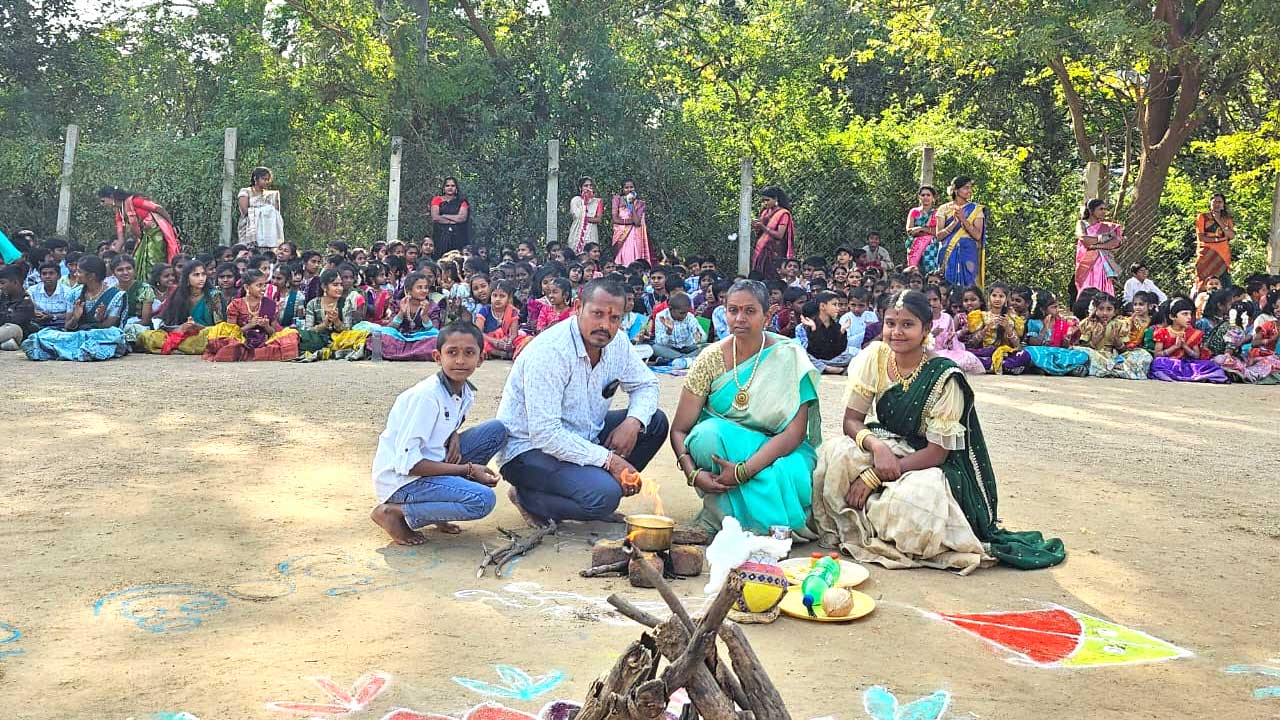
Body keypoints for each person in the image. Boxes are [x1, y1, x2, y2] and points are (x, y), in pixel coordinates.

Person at [810, 290, 1066, 573]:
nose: (896, 332)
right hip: (889, 443)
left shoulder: (945, 376)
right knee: (836, 454)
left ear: (926, 329)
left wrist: (874, 475)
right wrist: (877, 447)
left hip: (934, 462)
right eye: (890, 323)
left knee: (916, 500)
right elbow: (852, 421)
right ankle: (864, 518)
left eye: (907, 324)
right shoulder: (877, 357)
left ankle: (881, 516)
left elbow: (937, 452)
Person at [497, 278, 668, 525]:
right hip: (529, 450)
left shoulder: (617, 341)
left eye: (614, 318)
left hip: (583, 434)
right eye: (597, 314)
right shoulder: (551, 352)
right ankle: (527, 497)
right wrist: (610, 461)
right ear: (578, 306)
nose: (605, 325)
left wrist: (633, 421)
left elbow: (646, 384)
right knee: (603, 497)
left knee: (654, 423)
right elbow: (546, 434)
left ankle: (590, 485)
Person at [667, 279, 821, 536]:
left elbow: (794, 434)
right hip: (728, 446)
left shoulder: (790, 355)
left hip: (780, 451)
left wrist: (743, 472)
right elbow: (679, 430)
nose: (740, 318)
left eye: (750, 311)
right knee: (705, 437)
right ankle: (752, 517)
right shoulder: (710, 358)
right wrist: (692, 472)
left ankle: (734, 516)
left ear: (767, 314)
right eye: (733, 310)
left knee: (785, 472)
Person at [370, 323, 507, 545]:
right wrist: (468, 470)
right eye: (452, 353)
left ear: (481, 359)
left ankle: (440, 508)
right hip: (404, 480)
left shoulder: (464, 391)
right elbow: (408, 464)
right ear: (437, 356)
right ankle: (395, 512)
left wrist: (453, 434)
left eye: (469, 353)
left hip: (433, 464)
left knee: (496, 431)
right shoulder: (426, 396)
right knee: (482, 500)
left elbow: (450, 417)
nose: (460, 360)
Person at [22, 256, 130, 361]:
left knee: (113, 334)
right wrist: (76, 318)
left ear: (91, 276)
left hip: (101, 335)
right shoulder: (74, 294)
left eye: (79, 271)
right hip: (77, 334)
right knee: (43, 335)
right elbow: (67, 326)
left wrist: (98, 319)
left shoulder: (116, 296)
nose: (75, 274)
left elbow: (110, 326)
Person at [203, 269, 299, 361]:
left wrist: (266, 326)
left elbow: (275, 333)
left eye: (264, 285)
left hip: (264, 341)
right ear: (247, 287)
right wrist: (250, 325)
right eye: (259, 285)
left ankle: (256, 352)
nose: (263, 289)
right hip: (241, 341)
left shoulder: (269, 304)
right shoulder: (236, 304)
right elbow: (230, 333)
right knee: (229, 345)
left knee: (291, 335)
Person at [97, 186, 180, 274]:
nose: (103, 204)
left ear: (111, 196)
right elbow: (121, 240)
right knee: (137, 262)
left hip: (157, 234)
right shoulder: (120, 215)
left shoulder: (134, 201)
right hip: (144, 238)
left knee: (154, 262)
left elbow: (158, 208)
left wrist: (171, 225)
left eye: (103, 201)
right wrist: (112, 258)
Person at [1149, 297, 1228, 383]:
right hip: (1169, 362)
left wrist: (1185, 346)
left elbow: (1196, 356)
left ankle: (1180, 376)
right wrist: (1175, 347)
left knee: (1210, 365)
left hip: (1187, 364)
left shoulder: (1193, 333)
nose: (1189, 317)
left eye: (1190, 314)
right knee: (1158, 362)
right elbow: (1157, 354)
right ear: (1172, 316)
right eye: (1185, 314)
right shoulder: (1162, 332)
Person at [935, 176, 986, 287]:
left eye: (970, 188)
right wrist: (953, 223)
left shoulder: (976, 209)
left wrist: (963, 219)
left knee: (968, 286)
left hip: (968, 253)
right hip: (947, 251)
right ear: (956, 190)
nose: (970, 191)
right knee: (947, 286)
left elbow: (977, 235)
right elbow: (938, 236)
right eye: (966, 188)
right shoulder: (943, 209)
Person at [797, 292, 862, 374]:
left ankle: (827, 368)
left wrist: (842, 332)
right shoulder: (811, 324)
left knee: (853, 356)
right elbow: (814, 351)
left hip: (834, 361)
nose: (838, 308)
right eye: (834, 305)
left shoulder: (837, 325)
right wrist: (813, 330)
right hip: (816, 360)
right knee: (802, 355)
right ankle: (829, 369)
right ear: (823, 306)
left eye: (838, 305)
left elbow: (839, 350)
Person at [1074, 199, 1124, 298]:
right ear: (1091, 210)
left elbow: (1116, 242)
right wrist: (1103, 238)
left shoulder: (1108, 227)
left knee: (1103, 288)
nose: (1104, 212)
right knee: (1087, 288)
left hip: (1102, 264)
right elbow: (1085, 240)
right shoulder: (1082, 224)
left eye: (1105, 209)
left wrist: (1096, 246)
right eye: (1101, 209)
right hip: (1086, 263)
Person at [749, 186, 794, 279]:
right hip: (760, 250)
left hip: (773, 253)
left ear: (776, 199)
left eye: (767, 200)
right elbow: (761, 233)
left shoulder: (783, 214)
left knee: (770, 277)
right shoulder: (765, 212)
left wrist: (763, 227)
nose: (765, 203)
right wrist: (757, 227)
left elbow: (779, 235)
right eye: (763, 201)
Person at [651, 291, 707, 366]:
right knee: (655, 348)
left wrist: (698, 336)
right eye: (681, 313)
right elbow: (660, 342)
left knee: (706, 347)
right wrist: (669, 332)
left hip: (687, 347)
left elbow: (702, 336)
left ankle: (674, 361)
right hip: (670, 349)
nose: (684, 316)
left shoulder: (689, 316)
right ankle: (686, 359)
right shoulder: (661, 317)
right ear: (671, 309)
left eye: (686, 313)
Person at [1194, 193, 1234, 291]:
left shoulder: (1227, 219)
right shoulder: (1202, 217)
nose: (1217, 204)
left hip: (1223, 257)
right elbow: (1202, 237)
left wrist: (1218, 220)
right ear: (1210, 203)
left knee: (1226, 286)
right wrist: (1219, 239)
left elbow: (1231, 235)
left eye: (1220, 202)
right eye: (1214, 201)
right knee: (1203, 284)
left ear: (1223, 204)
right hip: (1206, 255)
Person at [237, 166, 284, 249]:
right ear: (255, 179)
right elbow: (244, 211)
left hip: (267, 232)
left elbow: (276, 215)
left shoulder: (271, 195)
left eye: (268, 179)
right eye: (264, 179)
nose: (266, 182)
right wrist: (264, 210)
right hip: (249, 230)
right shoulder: (245, 191)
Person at [611, 179, 651, 266]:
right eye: (626, 187)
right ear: (622, 189)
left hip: (634, 236)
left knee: (633, 257)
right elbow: (615, 219)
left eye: (631, 187)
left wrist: (631, 204)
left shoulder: (640, 203)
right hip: (620, 235)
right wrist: (630, 222)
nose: (629, 189)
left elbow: (637, 222)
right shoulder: (616, 200)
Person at [431, 177, 472, 255]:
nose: (450, 188)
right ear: (443, 188)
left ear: (456, 188)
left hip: (459, 236)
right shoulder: (437, 200)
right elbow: (435, 217)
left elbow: (462, 218)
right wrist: (454, 220)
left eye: (452, 186)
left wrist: (444, 215)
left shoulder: (462, 201)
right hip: (440, 236)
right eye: (447, 185)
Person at [28, 261, 74, 330]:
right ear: (40, 277)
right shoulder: (32, 291)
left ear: (59, 276)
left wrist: (53, 316)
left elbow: (71, 314)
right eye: (44, 274)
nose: (47, 276)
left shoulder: (68, 292)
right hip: (38, 325)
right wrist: (35, 313)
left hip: (60, 326)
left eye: (51, 273)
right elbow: (27, 310)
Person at [0, 267, 35, 351]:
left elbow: (13, 321)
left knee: (13, 328)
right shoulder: (3, 298)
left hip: (16, 331)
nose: (0, 286)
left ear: (15, 283)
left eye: (2, 283)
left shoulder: (26, 301)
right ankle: (5, 344)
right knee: (8, 344)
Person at [905, 186, 938, 272]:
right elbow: (909, 230)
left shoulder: (937, 213)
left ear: (933, 198)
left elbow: (938, 232)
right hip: (915, 244)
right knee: (913, 270)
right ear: (919, 197)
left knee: (930, 268)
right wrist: (927, 231)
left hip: (930, 245)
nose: (925, 197)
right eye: (923, 195)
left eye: (928, 195)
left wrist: (920, 229)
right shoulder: (914, 212)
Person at [569, 176, 604, 254]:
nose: (589, 188)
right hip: (577, 231)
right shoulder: (576, 200)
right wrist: (584, 201)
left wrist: (585, 218)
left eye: (591, 186)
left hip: (592, 232)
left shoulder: (597, 201)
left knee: (591, 253)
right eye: (586, 186)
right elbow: (577, 216)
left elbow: (598, 219)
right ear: (580, 188)